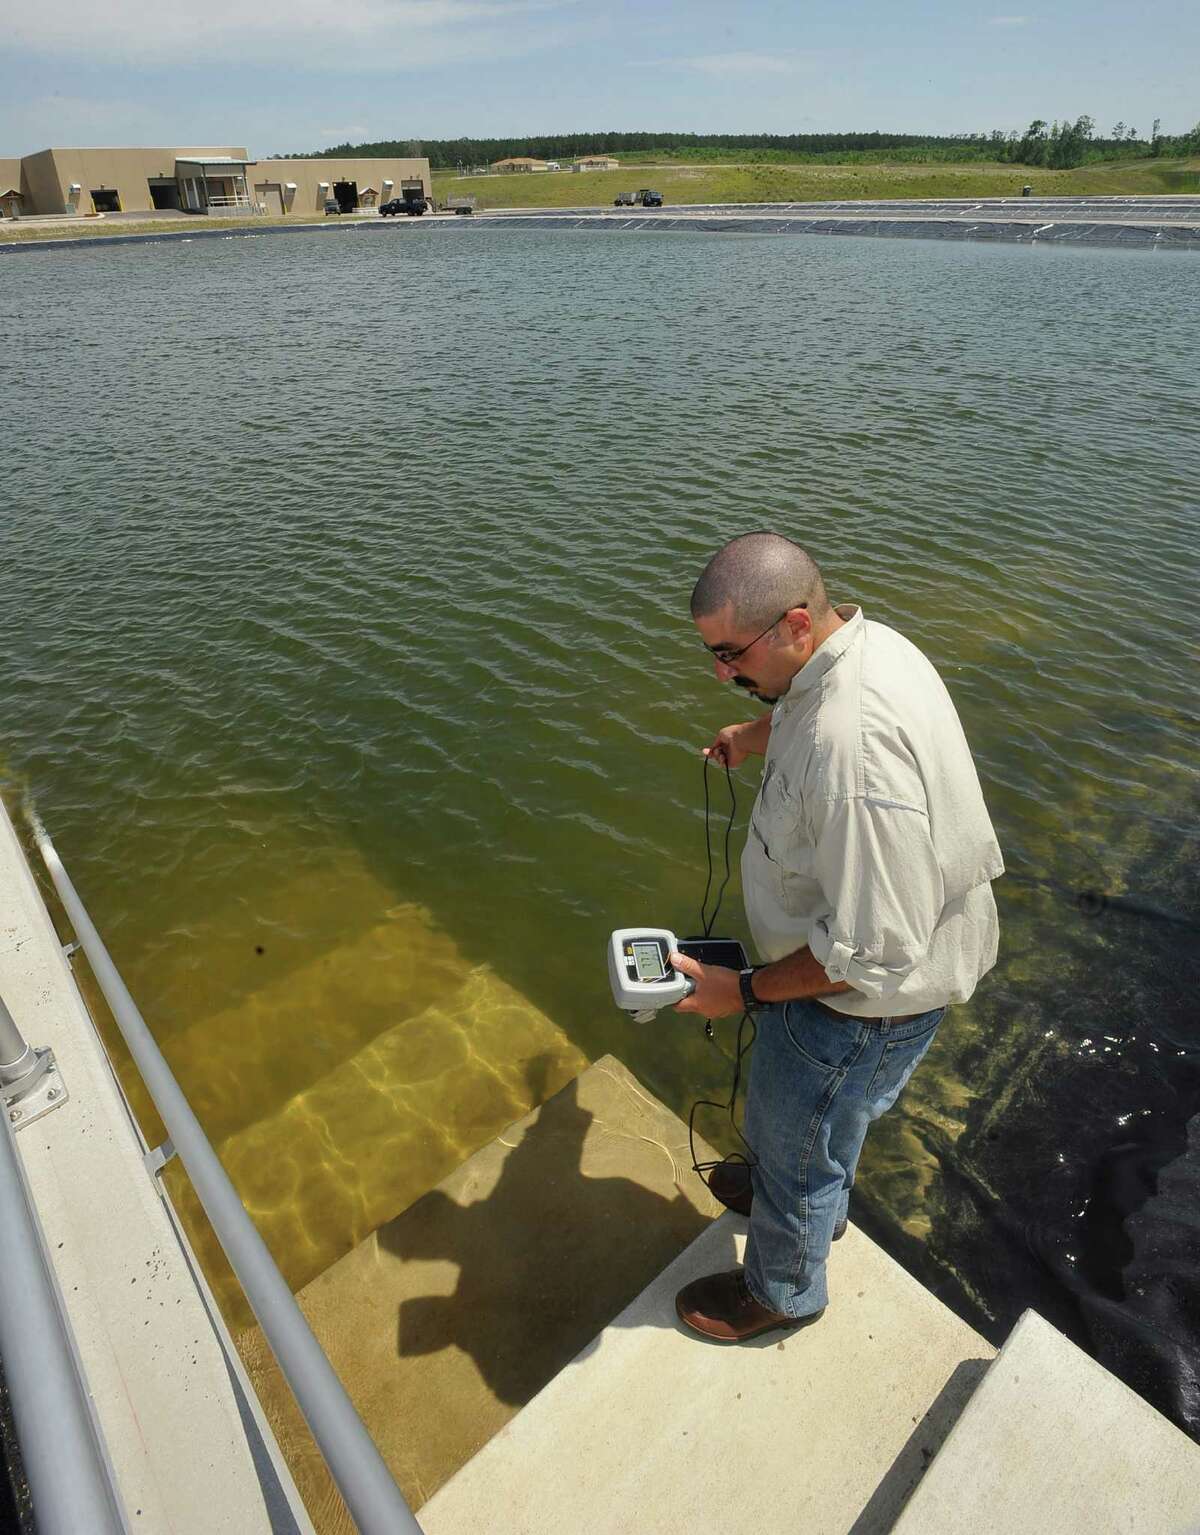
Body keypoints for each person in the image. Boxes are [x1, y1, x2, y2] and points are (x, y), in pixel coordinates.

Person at [670, 532, 1003, 1343]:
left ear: (792, 624)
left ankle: (784, 1291)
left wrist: (740, 990)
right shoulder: (863, 642)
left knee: (798, 1134)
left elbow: (875, 950)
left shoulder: (854, 757)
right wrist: (759, 734)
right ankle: (809, 1196)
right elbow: (810, 712)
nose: (720, 671)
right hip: (853, 977)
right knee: (816, 1128)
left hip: (860, 1008)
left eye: (728, 653)